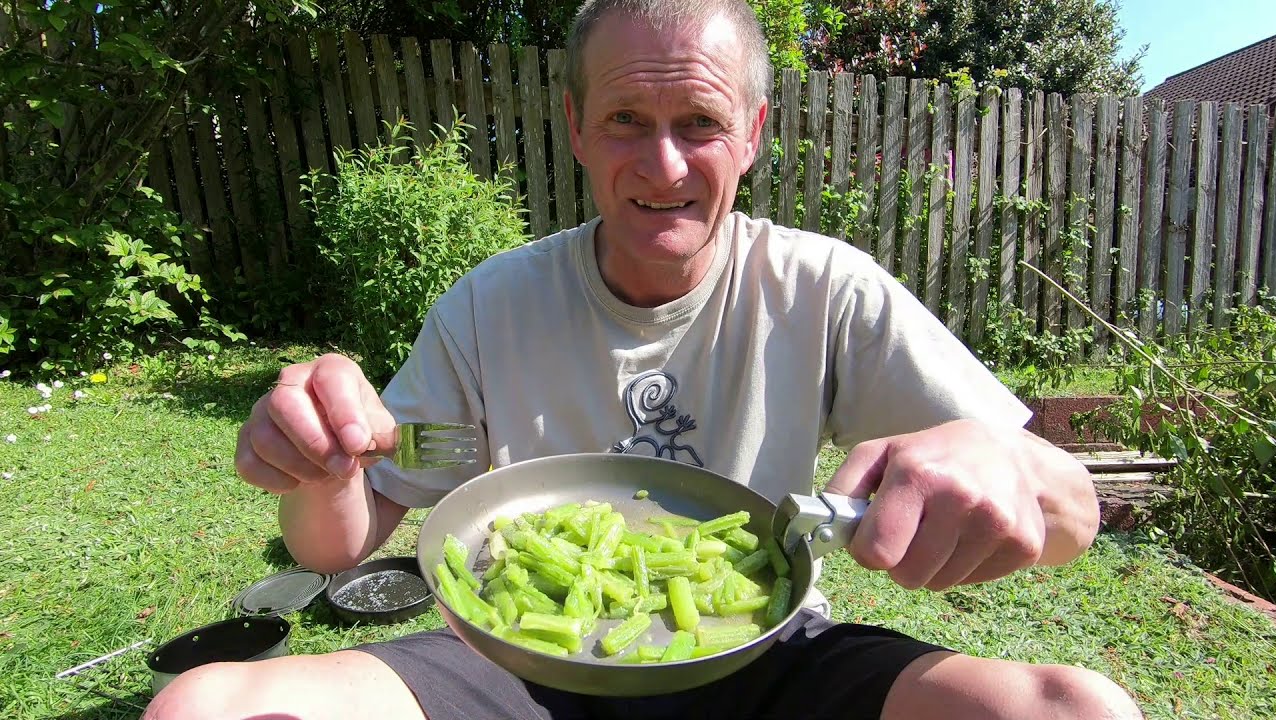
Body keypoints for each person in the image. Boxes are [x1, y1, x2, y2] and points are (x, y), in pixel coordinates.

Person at [144, 1, 1144, 718]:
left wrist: (1009, 468)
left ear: (750, 136)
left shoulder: (823, 289)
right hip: (524, 653)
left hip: (759, 650)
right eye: (626, 119)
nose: (662, 165)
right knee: (206, 708)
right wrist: (320, 465)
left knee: (1071, 708)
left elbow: (1073, 514)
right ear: (577, 128)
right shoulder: (491, 305)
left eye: (698, 124)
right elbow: (336, 548)